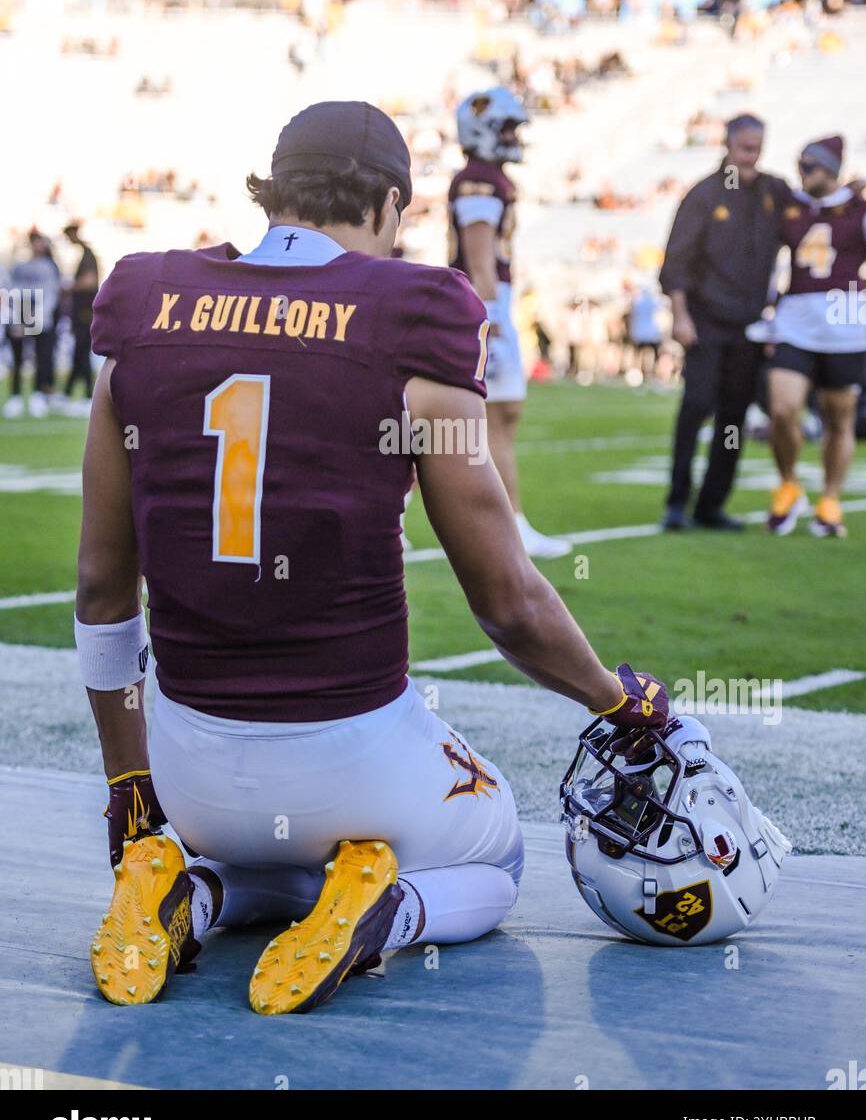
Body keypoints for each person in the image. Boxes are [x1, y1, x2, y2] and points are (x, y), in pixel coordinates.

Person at [77, 100, 668, 1015]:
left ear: (273, 188)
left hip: (189, 767)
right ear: (392, 204)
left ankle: (197, 890)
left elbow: (102, 588)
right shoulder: (413, 310)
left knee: (257, 847)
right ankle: (387, 912)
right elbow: (505, 600)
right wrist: (617, 698)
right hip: (354, 754)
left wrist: (130, 778)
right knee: (494, 852)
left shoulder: (145, 299)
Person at [447, 87, 570, 558]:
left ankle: (510, 524)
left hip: (491, 305)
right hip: (485, 307)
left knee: (496, 417)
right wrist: (489, 319)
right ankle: (510, 527)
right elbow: (479, 261)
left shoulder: (490, 178)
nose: (514, 136)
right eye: (507, 127)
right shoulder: (479, 180)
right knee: (487, 420)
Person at [659, 115, 789, 530]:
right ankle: (677, 500)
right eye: (745, 148)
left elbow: (808, 226)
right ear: (727, 146)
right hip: (706, 322)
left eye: (757, 148)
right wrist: (681, 316)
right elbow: (676, 261)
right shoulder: (704, 194)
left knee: (734, 417)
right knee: (697, 406)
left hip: (751, 326)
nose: (751, 157)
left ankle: (711, 504)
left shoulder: (773, 191)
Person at [763, 136, 866, 537]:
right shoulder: (790, 206)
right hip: (796, 320)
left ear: (832, 169)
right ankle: (789, 483)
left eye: (811, 167)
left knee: (838, 419)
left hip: (846, 325)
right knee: (783, 409)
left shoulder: (857, 208)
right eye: (801, 165)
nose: (803, 174)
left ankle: (830, 498)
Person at [2, 230, 61, 419]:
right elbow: (10, 291)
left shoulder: (50, 267)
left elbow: (52, 294)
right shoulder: (20, 265)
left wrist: (38, 316)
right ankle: (16, 396)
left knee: (41, 357)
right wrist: (16, 319)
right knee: (17, 358)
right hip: (21, 314)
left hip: (41, 318)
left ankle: (38, 395)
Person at [60, 223, 99, 410]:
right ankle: (69, 393)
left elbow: (89, 281)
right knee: (79, 352)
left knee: (82, 352)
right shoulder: (84, 254)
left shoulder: (87, 255)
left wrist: (69, 288)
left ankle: (87, 395)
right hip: (81, 311)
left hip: (85, 311)